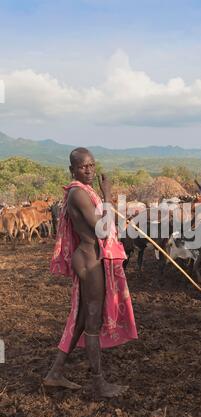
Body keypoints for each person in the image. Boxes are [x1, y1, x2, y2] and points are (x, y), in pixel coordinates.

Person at [44, 147, 138, 399]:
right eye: (83, 166)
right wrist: (108, 196)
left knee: (82, 319)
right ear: (72, 169)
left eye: (92, 165)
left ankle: (55, 373)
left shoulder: (85, 192)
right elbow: (102, 229)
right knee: (92, 322)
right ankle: (99, 383)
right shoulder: (78, 194)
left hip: (90, 258)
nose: (89, 170)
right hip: (89, 260)